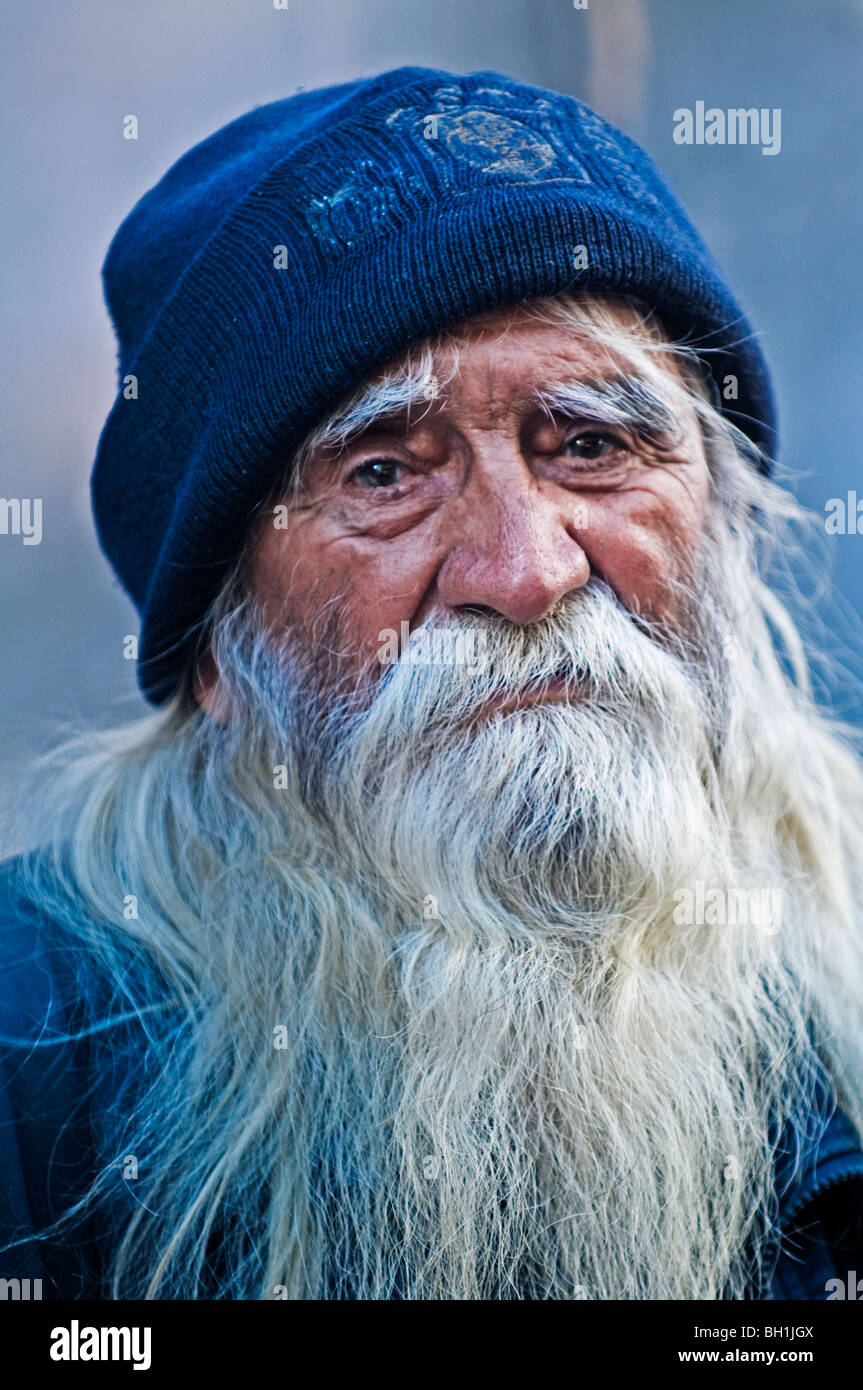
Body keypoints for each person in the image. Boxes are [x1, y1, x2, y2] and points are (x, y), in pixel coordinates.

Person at [2, 66, 862, 1302]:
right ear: (212, 650)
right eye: (385, 474)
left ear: (720, 533)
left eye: (590, 443)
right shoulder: (28, 1057)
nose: (524, 570)